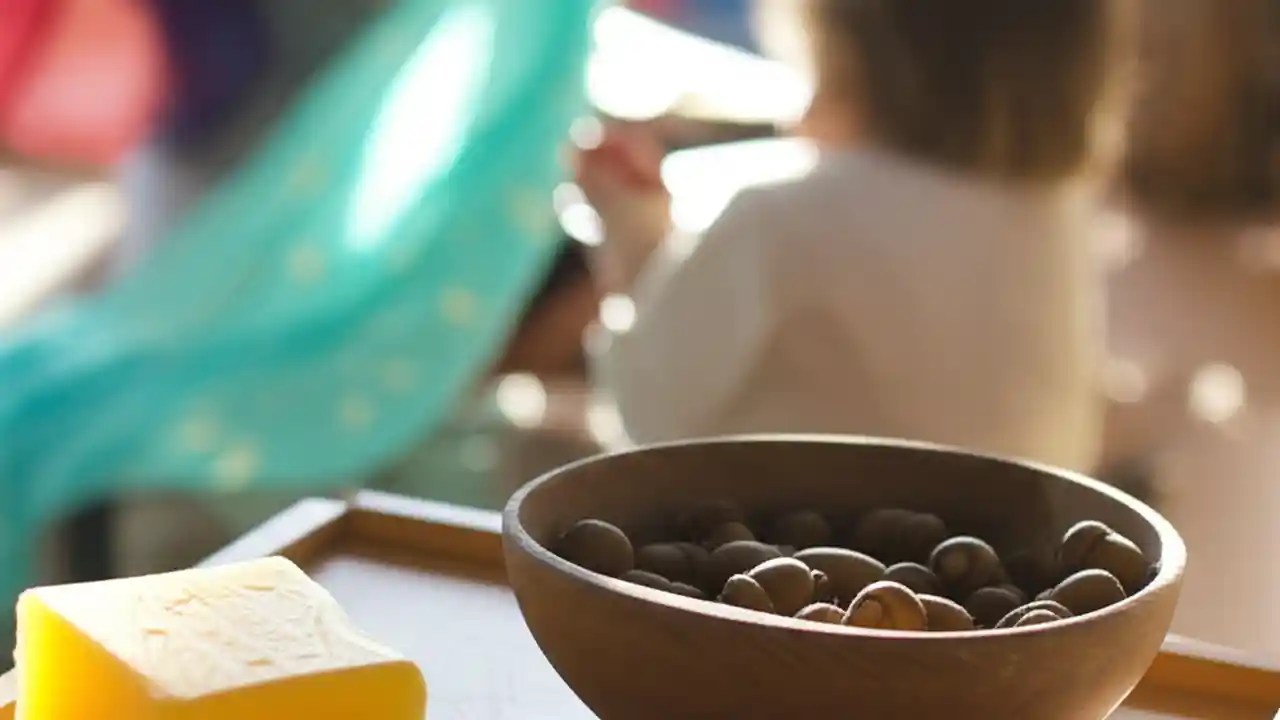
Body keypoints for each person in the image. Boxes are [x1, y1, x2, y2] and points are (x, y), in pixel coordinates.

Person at [582, 0, 1133, 471]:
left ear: (843, 47)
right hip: (987, 583)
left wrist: (635, 251)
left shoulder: (780, 220)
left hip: (780, 577)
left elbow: (645, 411)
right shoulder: (1057, 226)